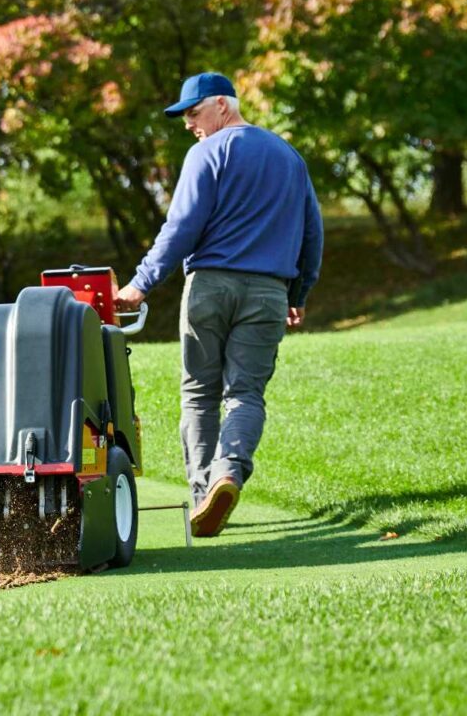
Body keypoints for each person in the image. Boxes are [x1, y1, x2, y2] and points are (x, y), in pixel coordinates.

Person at [113, 72, 323, 537]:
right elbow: (312, 233)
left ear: (222, 106)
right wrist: (299, 294)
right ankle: (228, 472)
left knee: (198, 394)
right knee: (245, 394)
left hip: (210, 286)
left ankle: (201, 492)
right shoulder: (290, 156)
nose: (189, 124)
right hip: (269, 292)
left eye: (193, 113)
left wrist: (140, 284)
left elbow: (182, 226)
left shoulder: (208, 152)